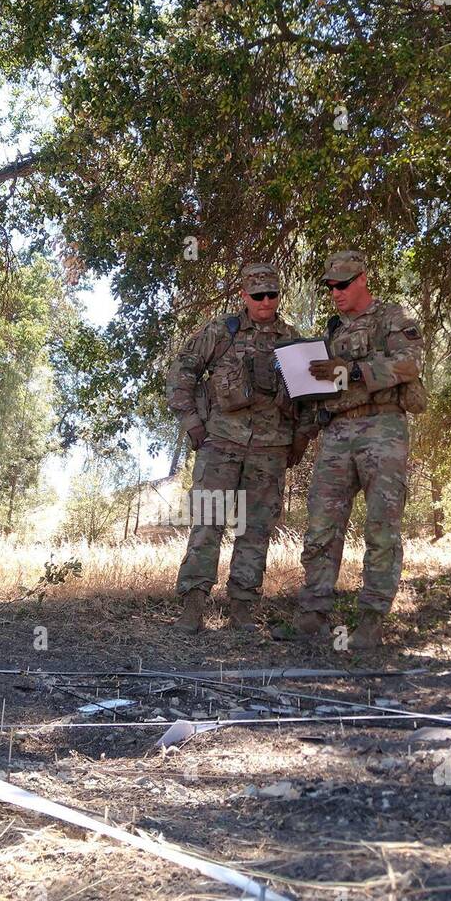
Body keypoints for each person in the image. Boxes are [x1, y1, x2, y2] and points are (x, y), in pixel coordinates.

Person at [166, 261, 314, 633]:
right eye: (258, 295)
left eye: (272, 294)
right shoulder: (221, 331)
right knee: (207, 523)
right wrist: (192, 423)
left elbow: (309, 400)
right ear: (244, 295)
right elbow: (182, 371)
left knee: (256, 529)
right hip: (221, 444)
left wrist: (300, 439)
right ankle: (193, 607)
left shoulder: (293, 341)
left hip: (270, 450)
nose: (266, 301)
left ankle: (243, 609)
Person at [297, 250, 427, 649]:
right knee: (321, 524)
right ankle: (313, 616)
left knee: (381, 526)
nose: (335, 292)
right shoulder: (333, 330)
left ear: (362, 279)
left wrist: (353, 370)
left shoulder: (393, 317)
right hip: (337, 430)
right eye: (330, 286)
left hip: (382, 427)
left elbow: (411, 363)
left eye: (343, 284)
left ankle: (371, 621)